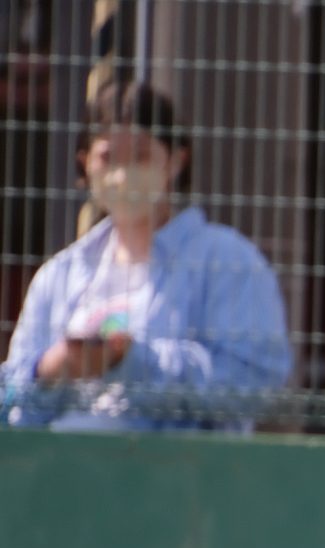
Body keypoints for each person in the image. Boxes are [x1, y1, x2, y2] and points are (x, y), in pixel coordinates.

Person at [2, 81, 291, 431]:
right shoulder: (58, 275)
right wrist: (50, 369)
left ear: (175, 160)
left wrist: (133, 361)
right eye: (108, 157)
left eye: (140, 155)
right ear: (85, 163)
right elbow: (10, 405)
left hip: (179, 478)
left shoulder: (227, 262)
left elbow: (253, 385)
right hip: (68, 478)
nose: (123, 174)